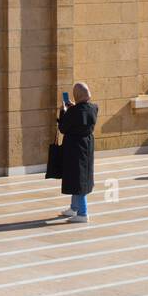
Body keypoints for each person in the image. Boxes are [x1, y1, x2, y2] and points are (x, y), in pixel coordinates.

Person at [57, 82, 98, 223]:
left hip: (74, 148)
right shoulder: (94, 108)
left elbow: (63, 128)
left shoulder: (73, 112)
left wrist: (63, 110)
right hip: (87, 146)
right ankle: (74, 207)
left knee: (78, 179)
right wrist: (75, 107)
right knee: (80, 176)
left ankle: (82, 213)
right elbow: (83, 114)